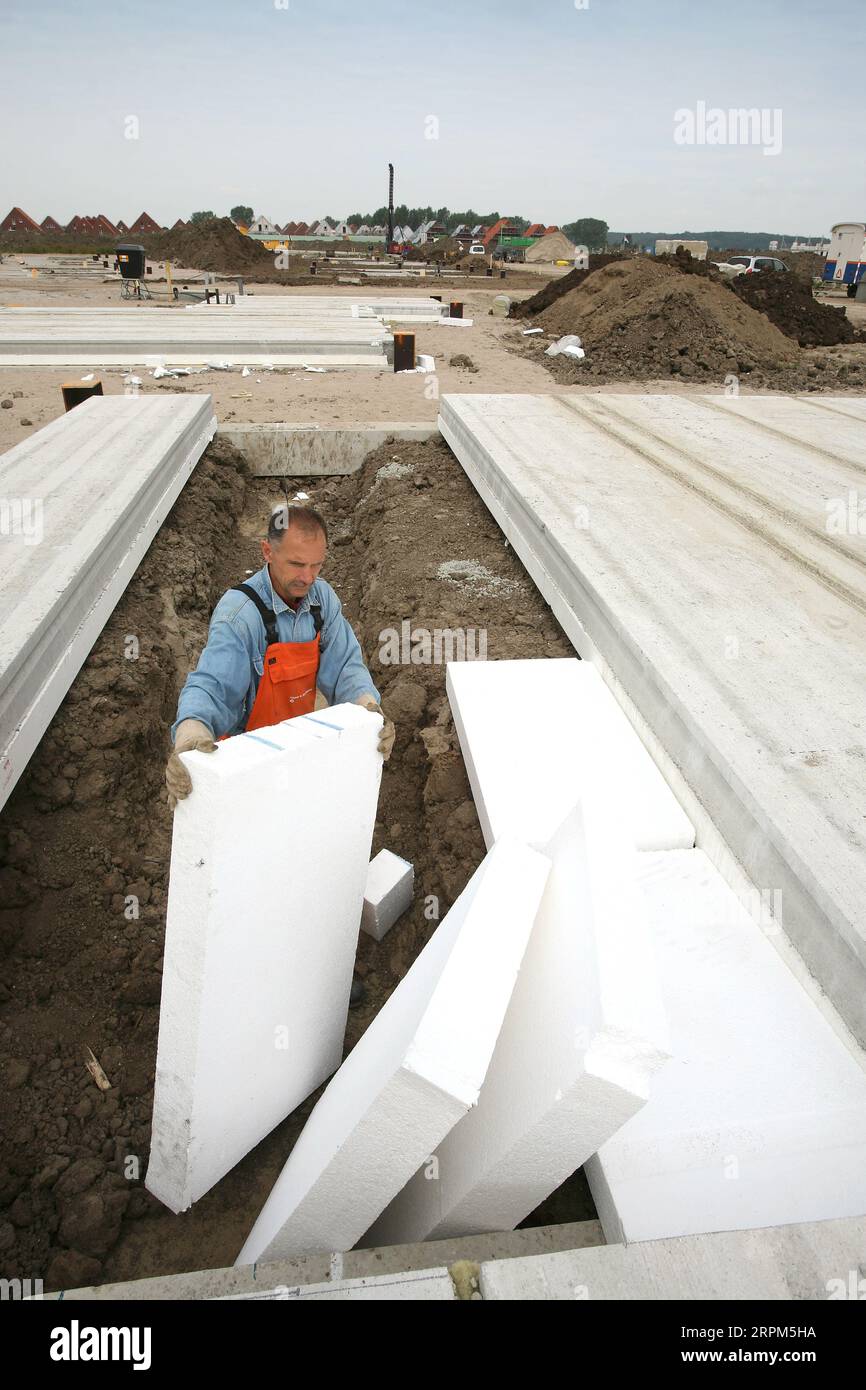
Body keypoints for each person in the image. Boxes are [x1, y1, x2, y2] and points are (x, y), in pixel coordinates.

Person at [165, 501, 394, 806]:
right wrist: (190, 736)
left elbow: (345, 667)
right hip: (241, 759)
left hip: (293, 745)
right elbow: (213, 684)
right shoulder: (240, 614)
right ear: (267, 552)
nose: (308, 577)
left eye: (317, 565)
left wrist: (368, 708)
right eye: (297, 564)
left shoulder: (321, 599)